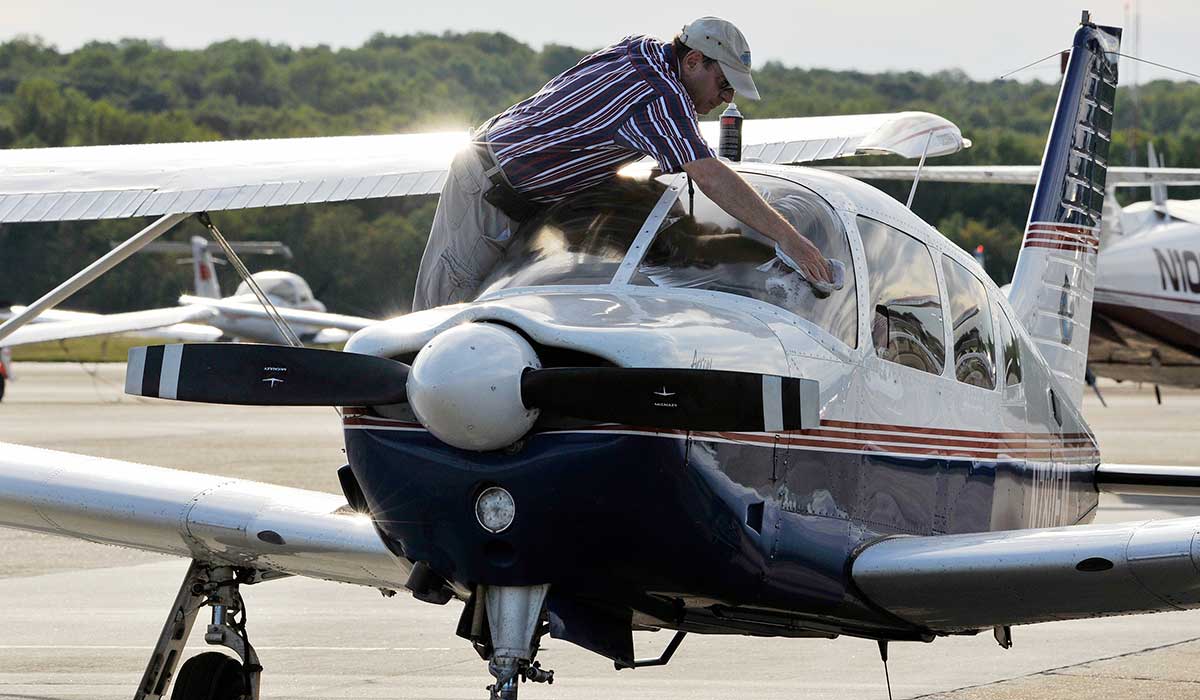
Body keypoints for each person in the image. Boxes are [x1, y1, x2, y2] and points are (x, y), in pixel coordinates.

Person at [412, 16, 832, 311]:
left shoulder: (643, 49)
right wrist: (789, 238)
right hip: (489, 186)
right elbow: (709, 175)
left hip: (544, 190)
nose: (726, 99)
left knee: (649, 202)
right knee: (445, 318)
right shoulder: (661, 97)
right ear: (692, 62)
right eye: (724, 84)